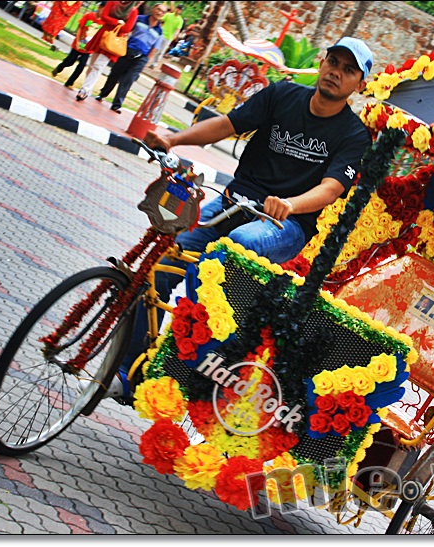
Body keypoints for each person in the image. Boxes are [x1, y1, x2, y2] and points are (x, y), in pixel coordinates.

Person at [106, 37, 375, 399]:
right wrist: (173, 140)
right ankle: (127, 373)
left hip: (285, 225)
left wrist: (290, 205)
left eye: (348, 70)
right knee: (161, 262)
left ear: (359, 84)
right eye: (334, 62)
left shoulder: (354, 134)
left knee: (242, 244)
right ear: (323, 61)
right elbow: (228, 124)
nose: (336, 73)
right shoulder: (282, 95)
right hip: (233, 202)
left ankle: (192, 350)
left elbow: (330, 189)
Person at [94, 2, 165, 113]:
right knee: (115, 73)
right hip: (127, 50)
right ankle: (102, 94)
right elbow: (127, 30)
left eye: (162, 11)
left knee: (129, 80)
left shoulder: (160, 31)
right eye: (158, 9)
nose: (159, 12)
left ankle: (117, 104)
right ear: (152, 9)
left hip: (141, 57)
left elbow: (154, 48)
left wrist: (146, 60)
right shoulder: (140, 18)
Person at [75, 1, 141, 102]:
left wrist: (114, 23)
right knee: (92, 65)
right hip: (103, 34)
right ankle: (88, 89)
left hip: (113, 39)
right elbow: (104, 16)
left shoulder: (133, 10)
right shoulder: (112, 2)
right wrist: (118, 22)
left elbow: (127, 28)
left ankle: (84, 90)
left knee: (98, 66)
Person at [51, 4, 104, 88]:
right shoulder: (89, 16)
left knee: (82, 65)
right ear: (99, 8)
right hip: (78, 44)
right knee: (70, 61)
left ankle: (70, 82)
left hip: (88, 48)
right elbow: (80, 28)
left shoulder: (103, 22)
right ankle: (60, 67)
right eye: (103, 10)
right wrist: (78, 41)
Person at [148, 4, 183, 70]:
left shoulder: (180, 20)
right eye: (178, 8)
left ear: (181, 11)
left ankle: (154, 63)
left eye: (180, 9)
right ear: (176, 8)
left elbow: (178, 29)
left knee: (161, 51)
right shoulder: (168, 15)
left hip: (169, 37)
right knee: (154, 47)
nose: (178, 10)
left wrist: (175, 35)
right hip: (161, 34)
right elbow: (160, 19)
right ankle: (147, 59)